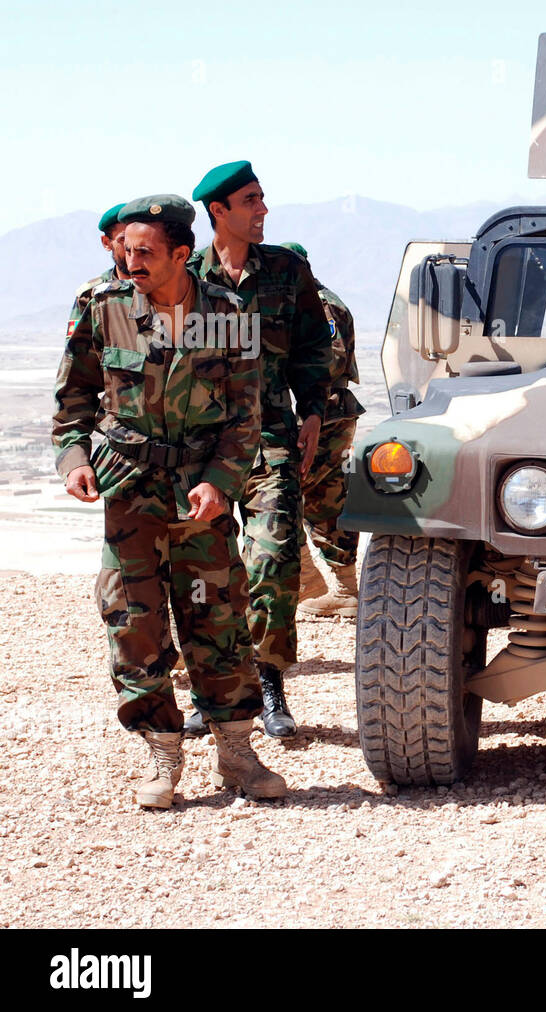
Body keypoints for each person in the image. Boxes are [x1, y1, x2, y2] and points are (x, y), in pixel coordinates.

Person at [52, 194, 287, 808]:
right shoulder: (101, 308)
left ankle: (235, 750)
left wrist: (220, 481)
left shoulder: (228, 317)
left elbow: (245, 418)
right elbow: (72, 404)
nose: (130, 261)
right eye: (126, 250)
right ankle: (162, 750)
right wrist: (75, 462)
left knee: (217, 617)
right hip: (128, 489)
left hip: (198, 497)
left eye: (146, 252)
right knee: (134, 620)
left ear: (182, 254)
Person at [187, 161, 333, 739]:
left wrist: (315, 409)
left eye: (263, 198)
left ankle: (269, 680)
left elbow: (313, 344)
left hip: (270, 436)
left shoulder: (287, 270)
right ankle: (216, 691)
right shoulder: (185, 275)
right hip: (201, 448)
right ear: (218, 211)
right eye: (251, 201)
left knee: (273, 556)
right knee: (207, 574)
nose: (263, 210)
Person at [279, 242, 364, 618]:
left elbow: (330, 360)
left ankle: (306, 579)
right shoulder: (318, 298)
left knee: (281, 490)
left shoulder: (317, 304)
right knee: (324, 498)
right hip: (327, 413)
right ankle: (343, 589)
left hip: (319, 414)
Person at [67, 203, 130, 333]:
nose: (132, 247)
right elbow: (76, 350)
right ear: (107, 243)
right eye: (123, 239)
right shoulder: (92, 294)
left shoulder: (167, 286)